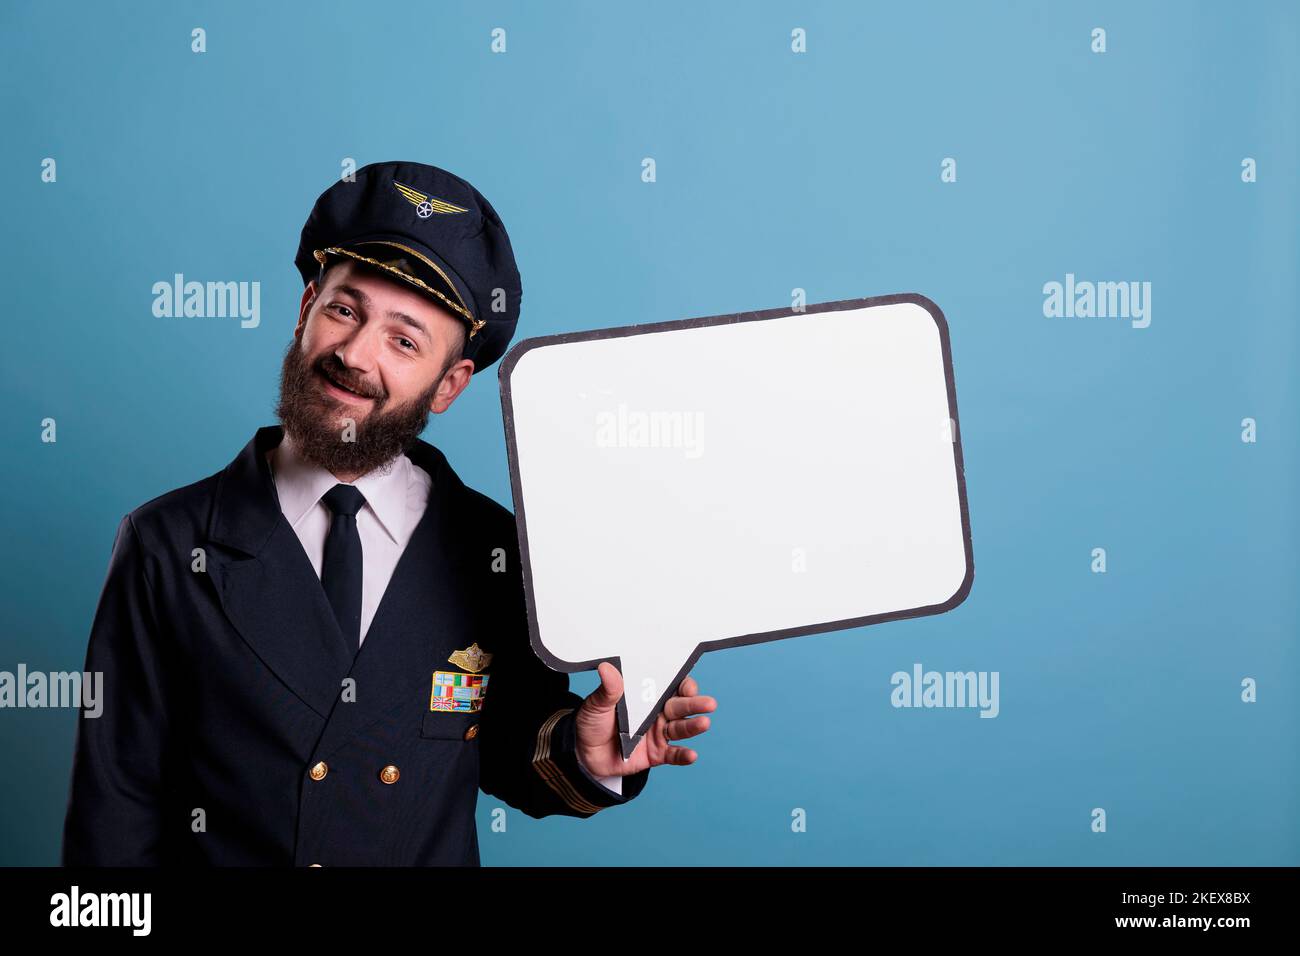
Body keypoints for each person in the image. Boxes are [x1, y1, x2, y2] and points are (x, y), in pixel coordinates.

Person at [61, 160, 717, 866]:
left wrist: (586, 751)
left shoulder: (495, 549)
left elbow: (510, 750)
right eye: (344, 310)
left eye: (404, 341)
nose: (354, 354)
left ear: (449, 384)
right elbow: (114, 819)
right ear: (305, 308)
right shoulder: (167, 544)